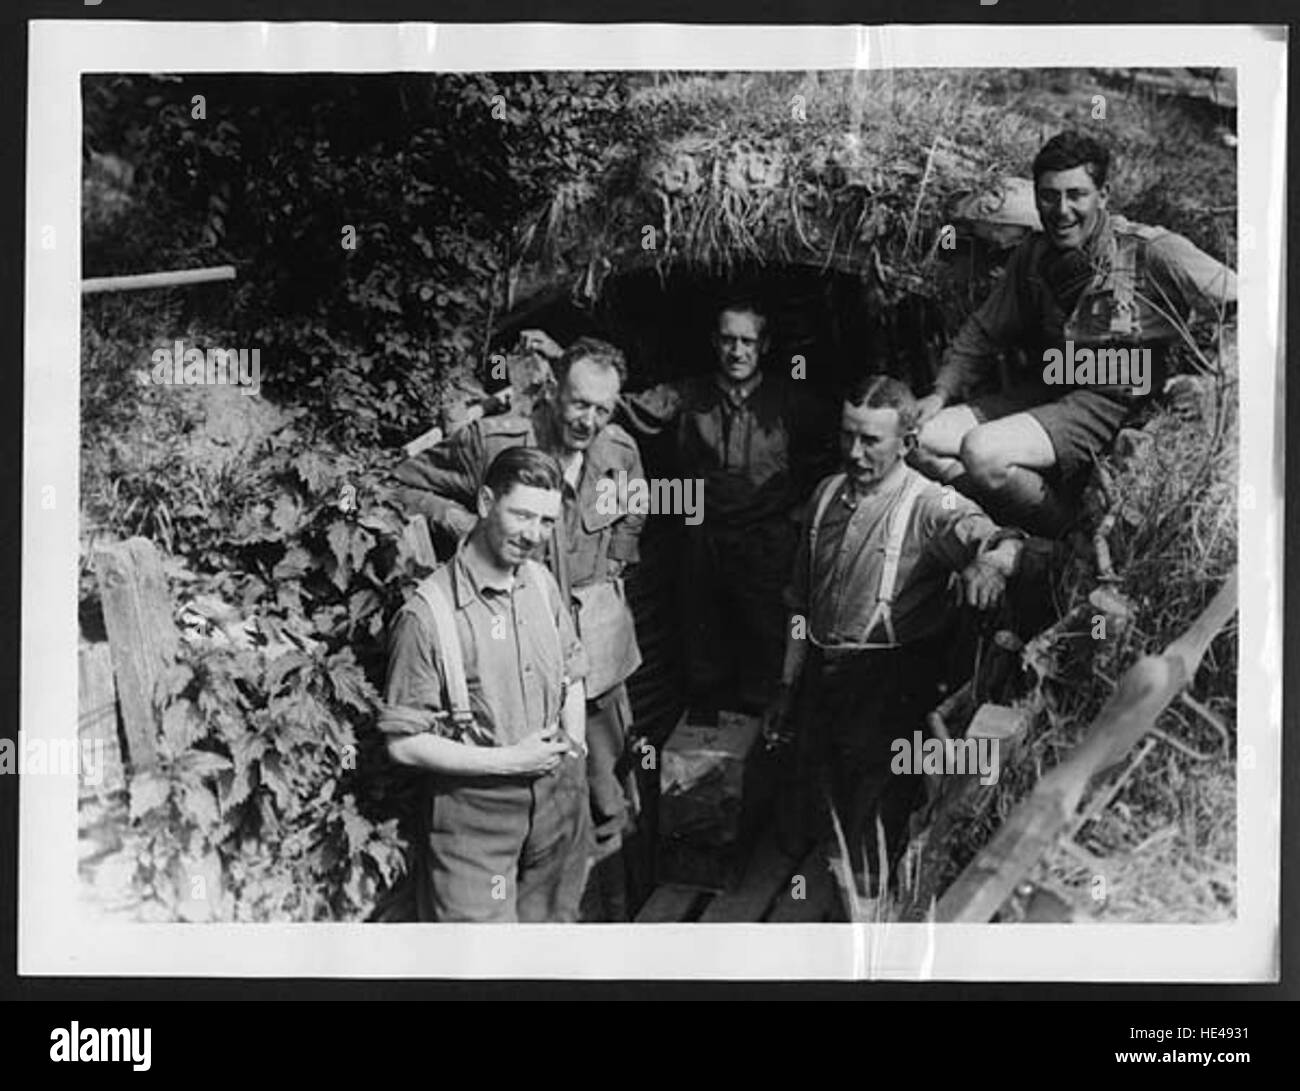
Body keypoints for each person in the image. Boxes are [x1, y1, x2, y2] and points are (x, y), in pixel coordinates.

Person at [910, 130, 1238, 536]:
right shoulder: (1034, 254)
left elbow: (1241, 301)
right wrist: (940, 392)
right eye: (1049, 196)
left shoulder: (1151, 251)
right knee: (920, 439)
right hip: (1054, 386)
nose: (1061, 211)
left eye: (1076, 195)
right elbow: (984, 329)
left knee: (982, 452)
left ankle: (1062, 537)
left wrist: (1210, 382)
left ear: (1103, 195)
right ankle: (1013, 517)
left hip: (1118, 401)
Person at [392, 337, 646, 858]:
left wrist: (617, 558)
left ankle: (606, 879)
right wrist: (461, 520)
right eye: (579, 404)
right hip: (512, 641)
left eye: (602, 409)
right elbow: (401, 483)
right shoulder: (494, 444)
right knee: (526, 786)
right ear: (552, 390)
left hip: (595, 649)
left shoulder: (618, 450)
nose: (588, 421)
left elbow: (635, 501)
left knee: (608, 789)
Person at [767, 375, 1024, 886]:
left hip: (888, 683)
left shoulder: (929, 505)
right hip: (822, 670)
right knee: (815, 799)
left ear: (906, 443)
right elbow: (799, 605)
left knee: (875, 813)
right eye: (847, 435)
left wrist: (994, 562)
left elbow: (1000, 537)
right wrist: (787, 685)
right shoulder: (825, 494)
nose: (854, 452)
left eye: (870, 441)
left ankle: (867, 903)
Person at [380, 447, 590, 922]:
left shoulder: (541, 583)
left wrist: (574, 749)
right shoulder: (426, 615)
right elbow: (404, 743)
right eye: (521, 515)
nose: (533, 535)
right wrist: (510, 761)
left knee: (553, 942)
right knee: (480, 955)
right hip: (476, 818)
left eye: (546, 521)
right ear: (485, 502)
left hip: (558, 801)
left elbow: (573, 672)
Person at [620, 300, 836, 713]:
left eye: (747, 342)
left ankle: (766, 725)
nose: (737, 351)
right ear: (714, 343)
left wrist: (807, 505)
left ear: (764, 345)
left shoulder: (789, 399)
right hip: (704, 535)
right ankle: (706, 727)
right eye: (728, 340)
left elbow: (839, 443)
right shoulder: (689, 395)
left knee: (766, 633)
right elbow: (627, 407)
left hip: (767, 540)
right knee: (703, 633)